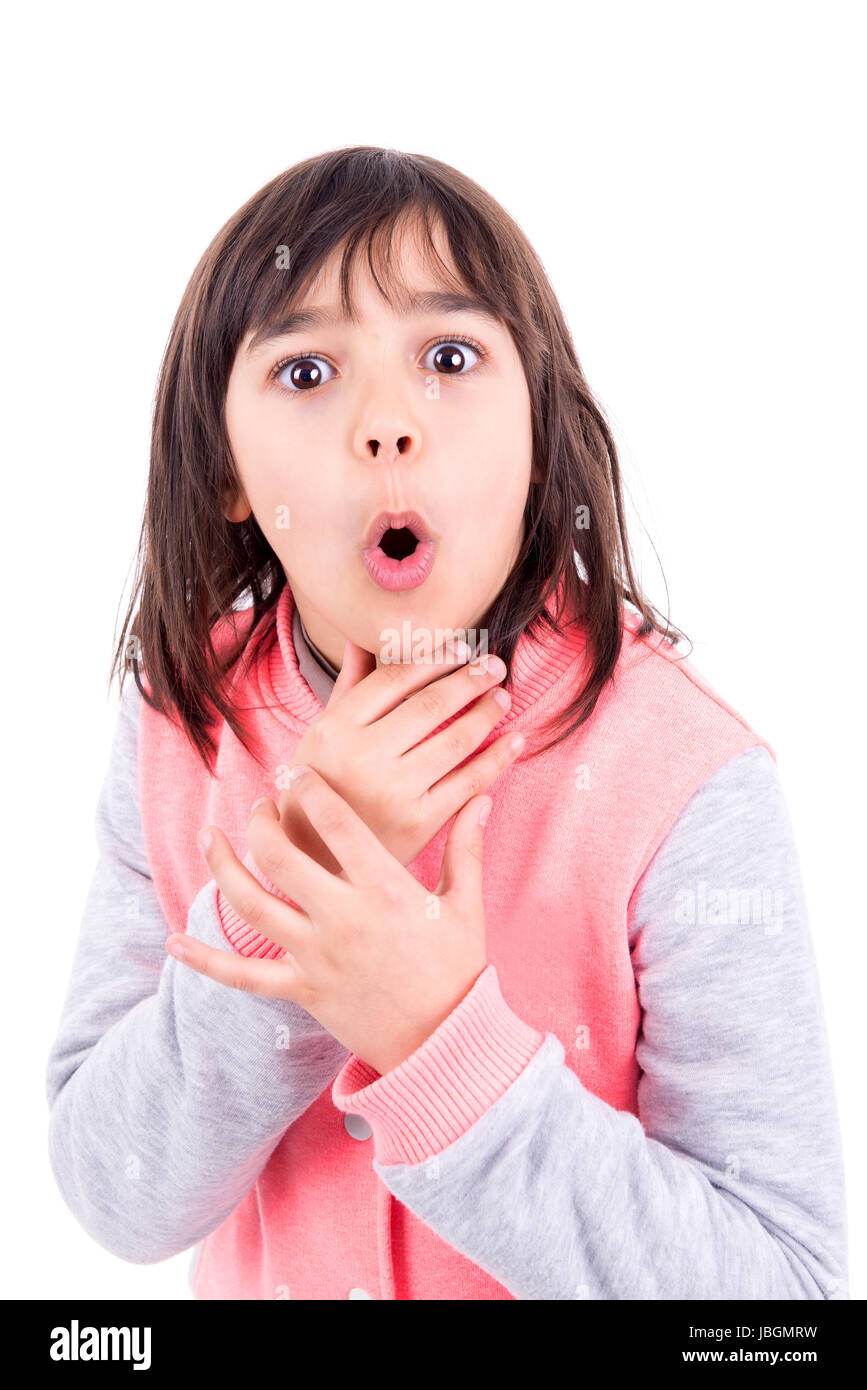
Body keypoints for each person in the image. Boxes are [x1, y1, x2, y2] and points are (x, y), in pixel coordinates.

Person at [45, 145, 848, 1300]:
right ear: (224, 469)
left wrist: (437, 1040)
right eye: (309, 371)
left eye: (450, 356)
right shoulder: (184, 721)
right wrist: (296, 880)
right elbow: (113, 1194)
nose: (386, 423)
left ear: (536, 445)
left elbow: (782, 1306)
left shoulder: (682, 779)